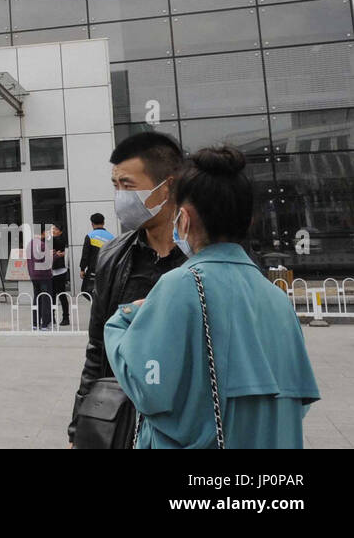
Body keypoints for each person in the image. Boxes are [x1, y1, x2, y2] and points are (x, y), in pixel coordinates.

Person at [105, 147, 320, 448]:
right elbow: (299, 403)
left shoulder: (179, 285)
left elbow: (147, 389)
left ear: (184, 219)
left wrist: (120, 321)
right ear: (248, 222)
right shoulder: (277, 298)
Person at [69, 130, 187, 448]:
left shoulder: (205, 256)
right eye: (116, 186)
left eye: (128, 186)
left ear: (168, 186)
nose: (121, 196)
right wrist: (78, 429)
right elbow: (97, 351)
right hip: (124, 423)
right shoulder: (112, 256)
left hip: (188, 424)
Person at [78, 214, 114, 298]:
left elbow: (85, 255)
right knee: (105, 292)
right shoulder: (111, 237)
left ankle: (97, 305)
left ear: (92, 223)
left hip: (93, 270)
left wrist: (82, 269)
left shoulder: (90, 236)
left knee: (86, 291)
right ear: (104, 222)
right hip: (107, 270)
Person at [27, 229, 55, 330]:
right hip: (44, 275)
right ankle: (45, 324)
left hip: (33, 275)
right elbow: (47, 261)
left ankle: (35, 323)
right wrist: (55, 255)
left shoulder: (29, 245)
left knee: (36, 298)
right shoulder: (43, 245)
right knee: (45, 298)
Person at [50, 224, 70, 326]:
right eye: (52, 228)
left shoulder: (61, 240)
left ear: (60, 231)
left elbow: (56, 243)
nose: (53, 230)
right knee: (52, 296)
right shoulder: (51, 240)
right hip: (51, 271)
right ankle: (52, 317)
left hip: (60, 271)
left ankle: (66, 317)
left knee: (61, 295)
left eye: (56, 229)